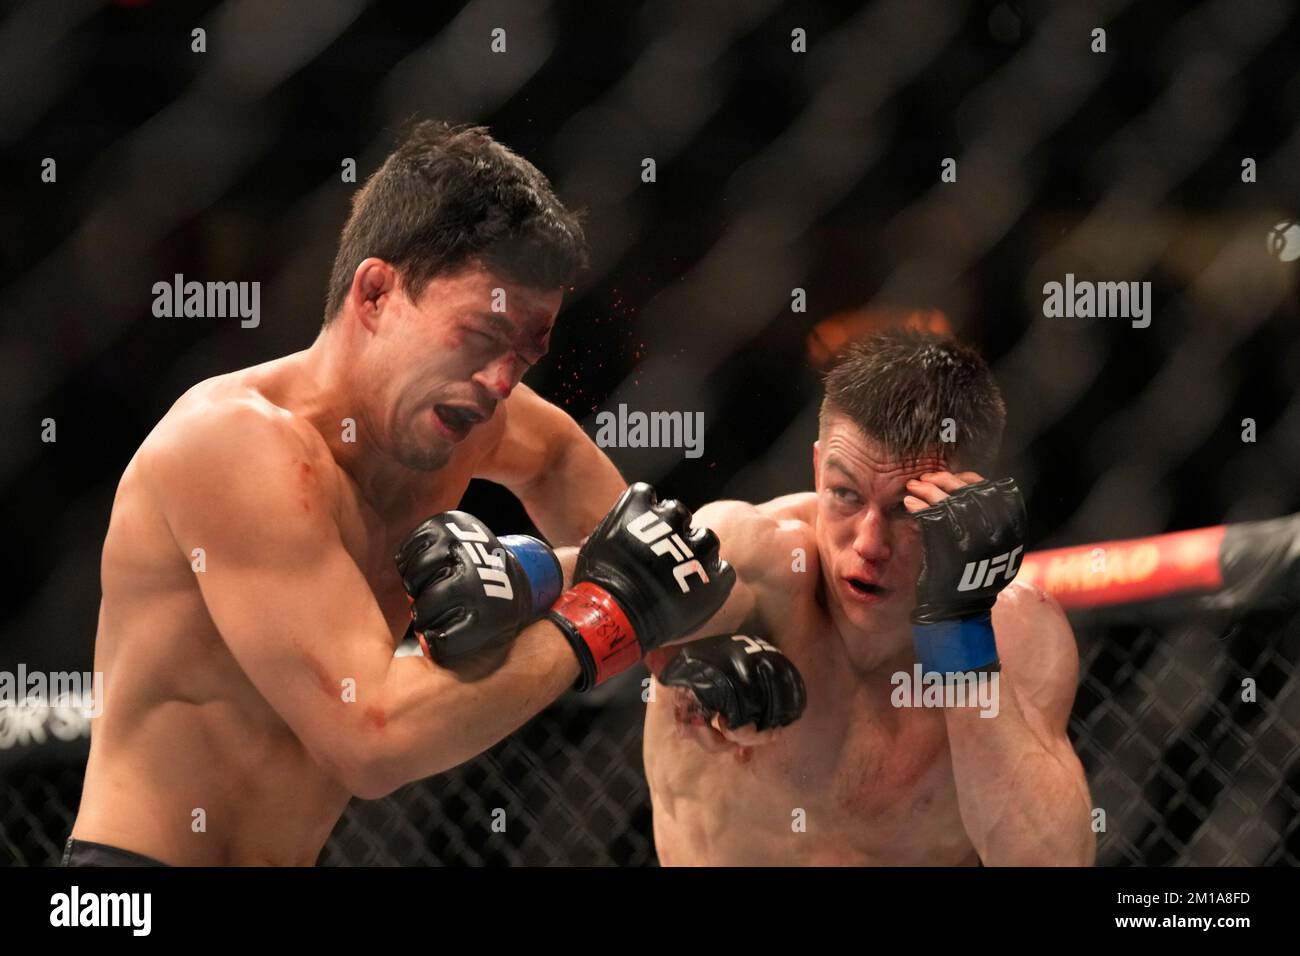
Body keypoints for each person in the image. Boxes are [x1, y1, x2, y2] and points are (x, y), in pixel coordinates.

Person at [67, 121, 734, 866]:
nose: (499, 382)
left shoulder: (462, 419)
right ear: (377, 292)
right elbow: (372, 736)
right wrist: (609, 613)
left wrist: (682, 661)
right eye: (481, 336)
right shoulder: (233, 446)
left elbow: (571, 480)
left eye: (525, 355)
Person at [643, 329, 1096, 866]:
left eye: (909, 509)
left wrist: (959, 632)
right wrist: (673, 668)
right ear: (817, 469)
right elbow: (609, 585)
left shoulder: (1018, 631)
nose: (869, 543)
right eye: (846, 495)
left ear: (969, 502)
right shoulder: (742, 558)